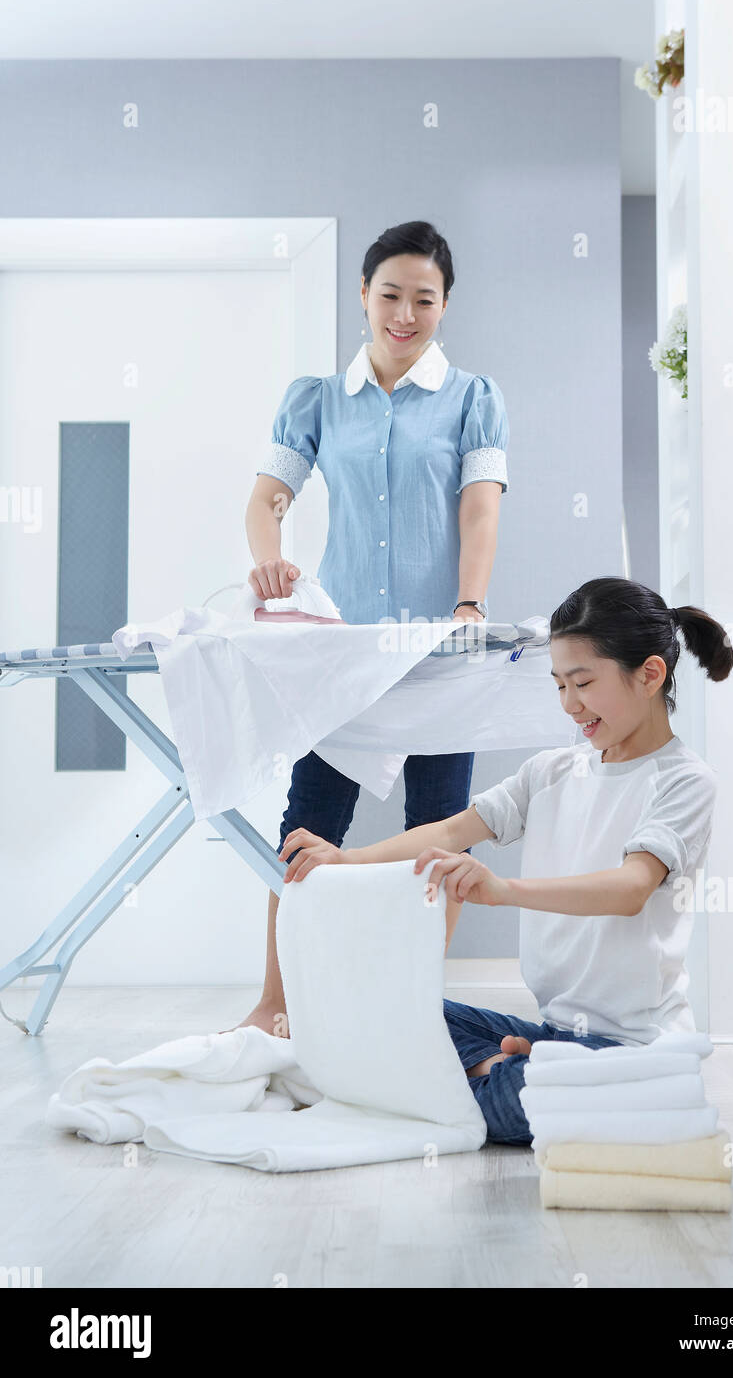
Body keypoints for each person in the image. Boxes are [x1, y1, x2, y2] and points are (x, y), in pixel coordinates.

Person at [276, 576, 733, 1145]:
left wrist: (504, 890)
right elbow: (450, 830)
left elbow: (630, 887)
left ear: (649, 674)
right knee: (384, 1007)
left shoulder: (684, 781)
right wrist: (347, 860)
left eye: (584, 683)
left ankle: (493, 1077)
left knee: (465, 1083)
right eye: (559, 686)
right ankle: (504, 1071)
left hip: (631, 1049)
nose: (570, 706)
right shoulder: (552, 771)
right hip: (555, 1035)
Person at [237, 220, 509, 1035]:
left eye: (423, 299)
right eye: (389, 294)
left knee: (443, 835)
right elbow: (267, 498)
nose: (404, 313)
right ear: (363, 296)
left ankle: (410, 1011)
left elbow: (479, 510)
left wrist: (468, 605)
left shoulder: (473, 399)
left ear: (444, 307)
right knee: (305, 830)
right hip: (345, 658)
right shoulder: (317, 400)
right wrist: (269, 557)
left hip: (439, 656)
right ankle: (273, 1003)